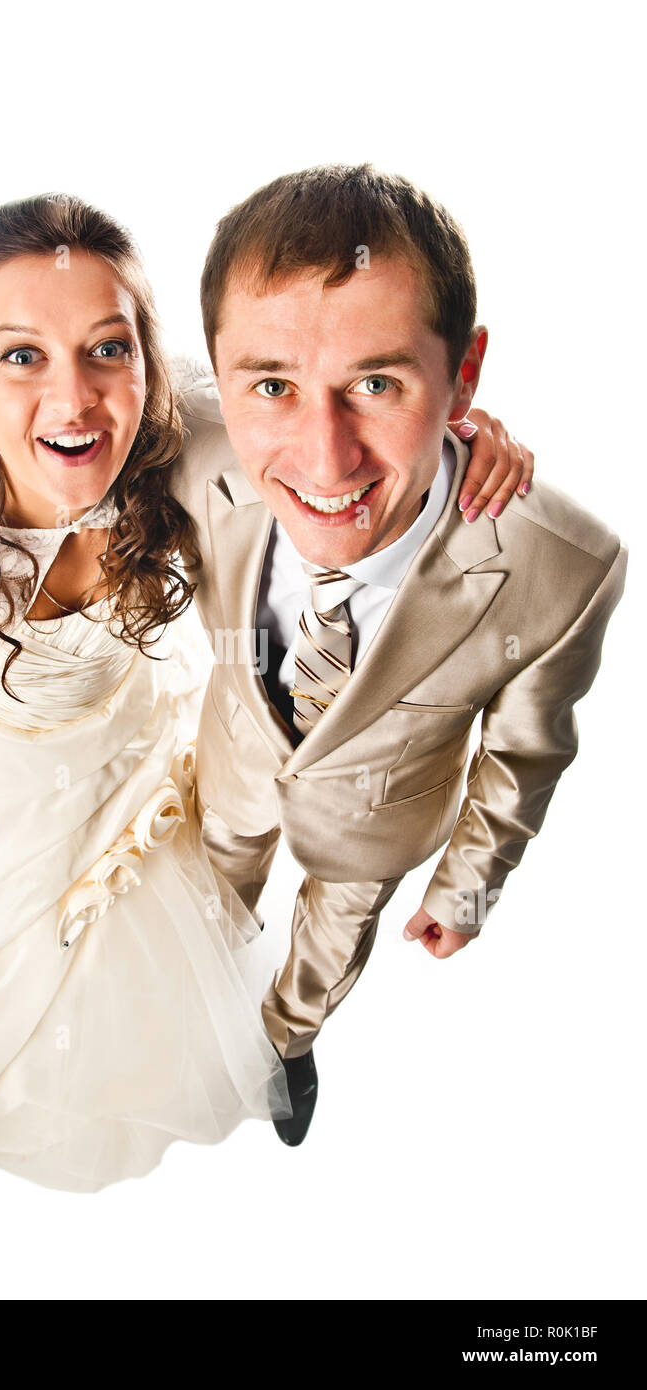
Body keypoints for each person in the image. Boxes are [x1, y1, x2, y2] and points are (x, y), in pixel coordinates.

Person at [0, 194, 298, 1194]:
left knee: (164, 944)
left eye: (104, 350)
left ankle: (257, 1038)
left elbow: (332, 396)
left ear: (146, 361)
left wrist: (470, 435)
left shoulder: (189, 419)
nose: (74, 399)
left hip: (125, 733)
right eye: (21, 355)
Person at [161, 163, 626, 1146]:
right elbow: (56, 402)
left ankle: (285, 1040)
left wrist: (466, 884)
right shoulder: (188, 437)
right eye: (274, 385)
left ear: (464, 375)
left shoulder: (560, 566)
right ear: (218, 368)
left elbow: (526, 751)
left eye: (375, 382)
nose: (325, 459)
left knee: (326, 945)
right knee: (201, 902)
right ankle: (192, 1013)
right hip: (233, 768)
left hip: (374, 827)